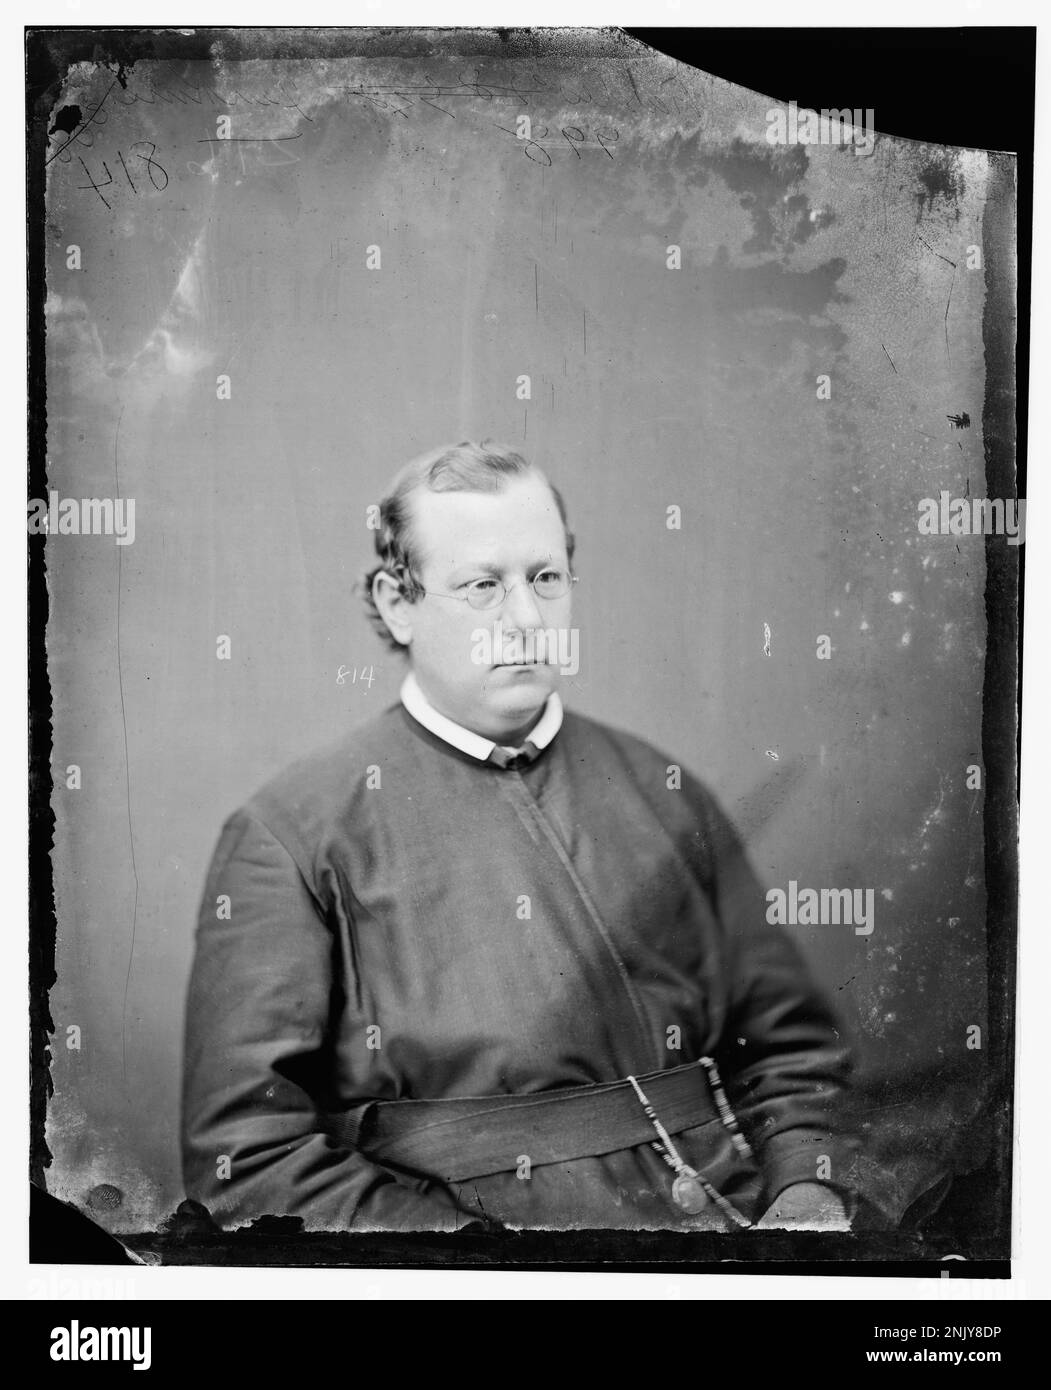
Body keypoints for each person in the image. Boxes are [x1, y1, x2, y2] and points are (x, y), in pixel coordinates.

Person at [181, 440, 859, 1232]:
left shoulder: (661, 791)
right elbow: (248, 1158)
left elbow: (789, 1050)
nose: (527, 618)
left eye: (545, 577)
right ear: (398, 602)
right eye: (482, 586)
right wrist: (470, 1264)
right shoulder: (292, 833)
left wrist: (803, 1194)